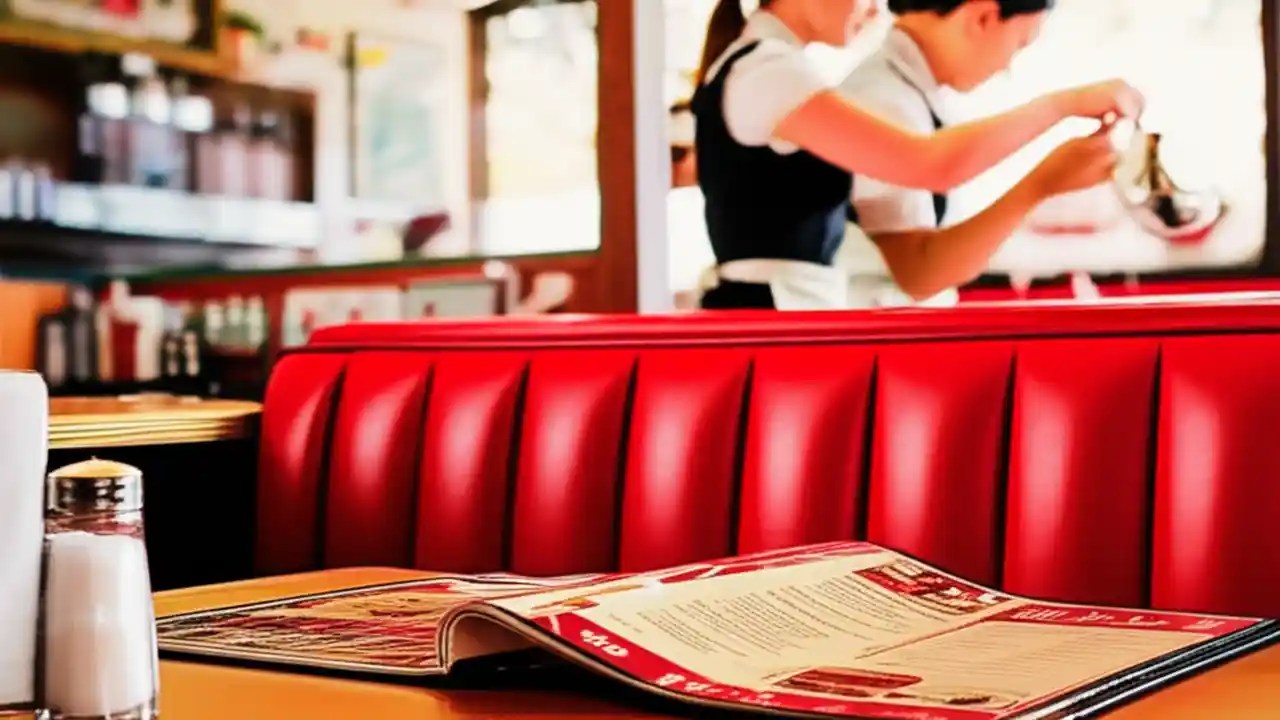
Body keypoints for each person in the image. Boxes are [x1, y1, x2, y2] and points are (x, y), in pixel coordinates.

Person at [692, 0, 1142, 311]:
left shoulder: (767, 67)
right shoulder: (770, 71)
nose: (875, 10)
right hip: (771, 314)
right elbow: (930, 165)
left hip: (782, 310)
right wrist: (1059, 109)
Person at [837, 0, 1109, 307]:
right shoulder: (884, 99)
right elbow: (919, 273)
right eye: (1019, 45)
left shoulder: (907, 91)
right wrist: (1041, 184)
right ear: (983, 18)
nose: (1007, 68)